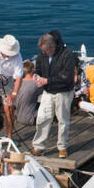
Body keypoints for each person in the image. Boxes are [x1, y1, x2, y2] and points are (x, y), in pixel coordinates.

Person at [31, 30, 78, 158]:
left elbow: (66, 76)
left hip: (63, 92)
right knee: (42, 118)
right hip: (48, 91)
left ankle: (62, 147)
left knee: (63, 120)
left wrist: (47, 80)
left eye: (46, 51)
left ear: (52, 47)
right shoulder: (43, 55)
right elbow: (39, 67)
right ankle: (39, 146)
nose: (44, 53)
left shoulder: (67, 55)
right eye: (43, 51)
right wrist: (36, 75)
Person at [13, 59, 40, 126]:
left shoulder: (17, 83)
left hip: (17, 117)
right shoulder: (36, 83)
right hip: (30, 118)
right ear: (33, 69)